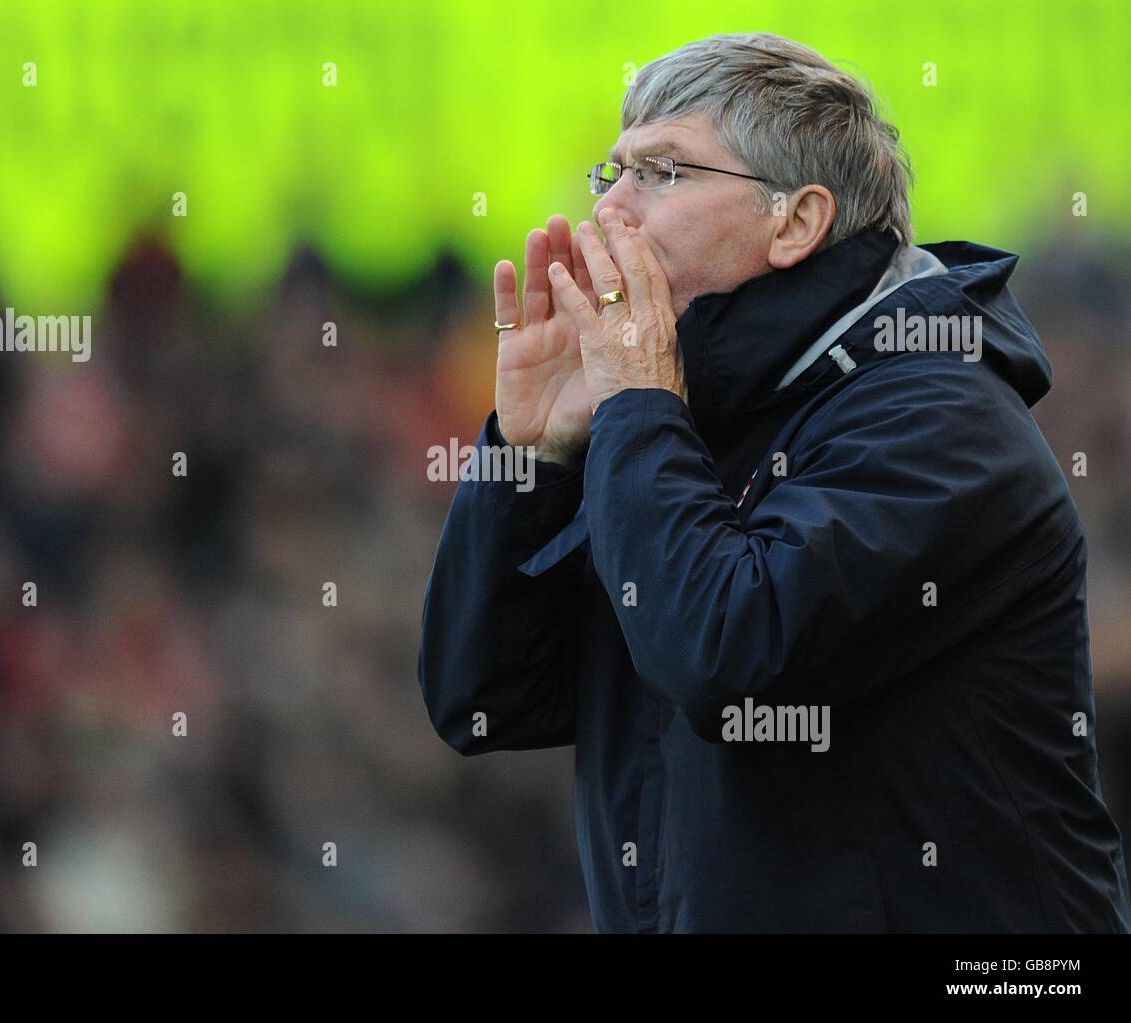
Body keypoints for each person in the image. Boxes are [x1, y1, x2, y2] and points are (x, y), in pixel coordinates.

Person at [417, 32, 1131, 932]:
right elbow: (481, 701)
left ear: (796, 223)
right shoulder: (685, 413)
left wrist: (639, 406)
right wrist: (532, 459)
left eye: (665, 173)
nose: (610, 214)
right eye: (614, 174)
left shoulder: (941, 419)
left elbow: (729, 659)